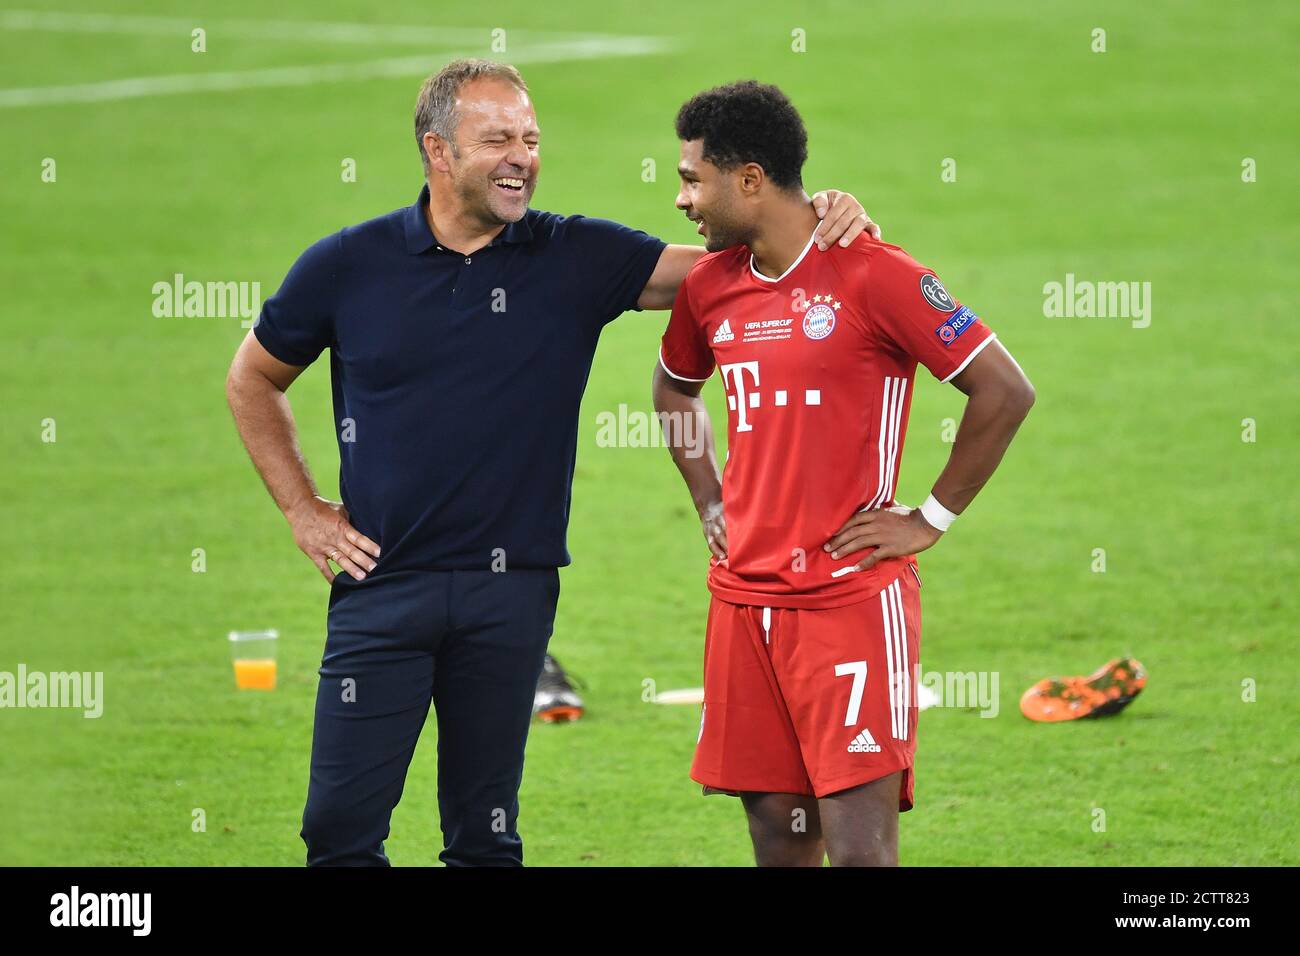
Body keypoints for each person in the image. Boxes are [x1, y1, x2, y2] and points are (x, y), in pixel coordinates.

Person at [225, 59, 877, 866]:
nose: (522, 158)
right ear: (437, 150)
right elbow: (253, 377)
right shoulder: (347, 265)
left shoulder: (574, 255)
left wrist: (817, 213)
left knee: (485, 837)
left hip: (512, 594)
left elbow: (738, 262)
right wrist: (304, 509)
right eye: (497, 139)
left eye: (531, 140)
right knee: (338, 831)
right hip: (381, 587)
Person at [653, 81, 1035, 866]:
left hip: (848, 604)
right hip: (743, 603)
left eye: (693, 179)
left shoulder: (874, 274)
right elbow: (674, 388)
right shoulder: (710, 285)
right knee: (777, 838)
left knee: (861, 851)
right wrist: (708, 498)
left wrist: (929, 519)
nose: (682, 198)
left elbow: (1003, 390)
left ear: (749, 179)